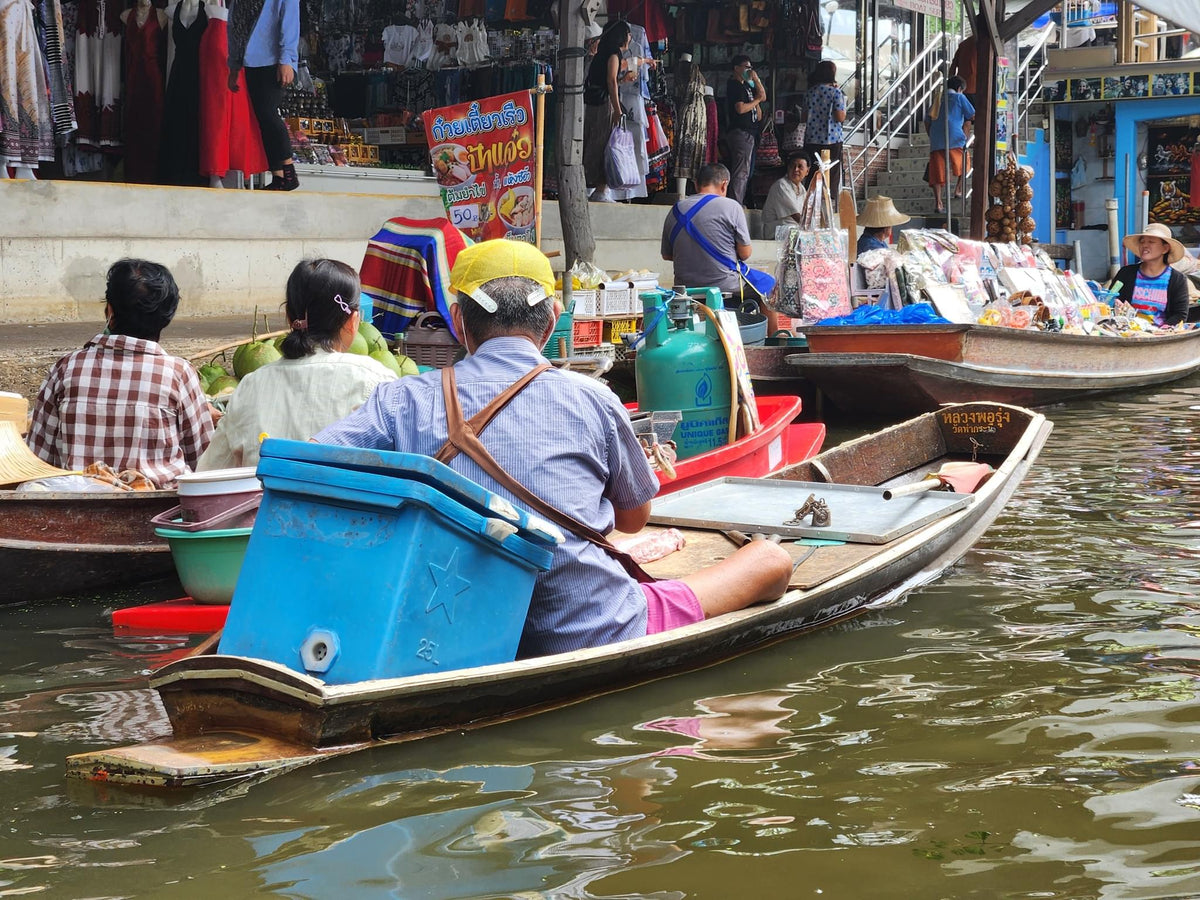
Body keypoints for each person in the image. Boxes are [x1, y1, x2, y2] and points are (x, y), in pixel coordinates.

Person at [314, 239, 792, 658]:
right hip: (591, 629)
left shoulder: (399, 399)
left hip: (448, 628)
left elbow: (311, 465)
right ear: (553, 320)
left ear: (458, 320)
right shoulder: (593, 397)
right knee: (772, 560)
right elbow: (633, 519)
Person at [26, 259, 213, 488]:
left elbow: (37, 460)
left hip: (77, 510)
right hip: (160, 515)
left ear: (110, 311)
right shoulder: (179, 375)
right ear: (167, 317)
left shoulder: (67, 369)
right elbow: (206, 463)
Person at [197, 259, 398, 470]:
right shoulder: (376, 380)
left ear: (288, 317)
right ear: (353, 321)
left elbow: (210, 473)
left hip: (264, 503)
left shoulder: (250, 386)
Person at [227, 0, 300, 191]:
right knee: (262, 119)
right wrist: (234, 65)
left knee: (268, 114)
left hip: (273, 59)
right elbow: (235, 25)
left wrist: (286, 59)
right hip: (251, 61)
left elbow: (289, 21)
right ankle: (278, 176)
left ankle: (289, 171)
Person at [582, 21, 631, 203]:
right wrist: (618, 110)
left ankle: (592, 186)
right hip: (604, 105)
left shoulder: (600, 54)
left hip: (593, 103)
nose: (630, 38)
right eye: (628, 33)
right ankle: (601, 188)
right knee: (605, 143)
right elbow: (610, 82)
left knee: (593, 140)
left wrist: (622, 81)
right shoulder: (613, 54)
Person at [1109, 223, 1190, 327]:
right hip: (1127, 334)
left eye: (1151, 242)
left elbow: (1180, 315)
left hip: (1159, 337)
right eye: (1142, 242)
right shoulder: (1126, 273)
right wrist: (1114, 303)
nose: (1144, 245)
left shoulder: (1177, 279)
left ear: (1165, 249)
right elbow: (1109, 298)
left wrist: (1161, 331)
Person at [925, 75, 975, 214]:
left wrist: (932, 135)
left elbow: (927, 120)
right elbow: (971, 115)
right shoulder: (959, 97)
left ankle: (938, 203)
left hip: (936, 138)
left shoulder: (937, 98)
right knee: (964, 162)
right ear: (959, 88)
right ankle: (958, 190)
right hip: (954, 137)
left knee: (937, 171)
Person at [802, 60, 847, 201]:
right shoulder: (835, 93)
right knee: (831, 174)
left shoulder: (809, 93)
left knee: (813, 173)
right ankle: (829, 203)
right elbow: (840, 117)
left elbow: (803, 118)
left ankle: (811, 201)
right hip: (832, 140)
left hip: (811, 140)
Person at [725, 55, 766, 205]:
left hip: (751, 133)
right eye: (746, 67)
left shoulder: (747, 86)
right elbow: (740, 108)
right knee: (740, 171)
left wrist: (756, 80)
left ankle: (740, 200)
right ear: (736, 68)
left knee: (747, 171)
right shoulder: (734, 85)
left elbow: (762, 99)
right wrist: (756, 100)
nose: (749, 70)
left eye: (751, 68)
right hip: (740, 131)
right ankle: (734, 203)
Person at [760, 153, 809, 236]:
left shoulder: (802, 189)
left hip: (795, 228)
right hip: (777, 231)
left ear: (807, 171)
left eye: (800, 166)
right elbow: (796, 216)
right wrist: (810, 229)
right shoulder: (781, 185)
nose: (796, 169)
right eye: (792, 166)